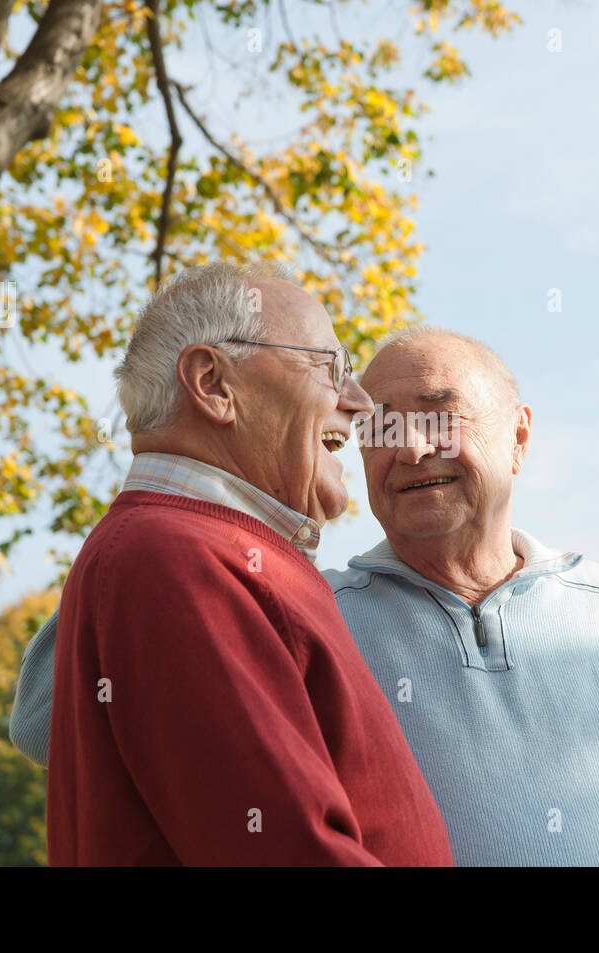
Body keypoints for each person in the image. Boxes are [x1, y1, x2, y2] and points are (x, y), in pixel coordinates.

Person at [14, 322, 599, 866]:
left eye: (438, 415)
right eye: (382, 426)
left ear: (519, 438)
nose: (408, 447)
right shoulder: (301, 609)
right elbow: (52, 720)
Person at [34, 262, 453, 866]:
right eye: (331, 367)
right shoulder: (172, 557)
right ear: (213, 385)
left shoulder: (199, 550)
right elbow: (287, 851)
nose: (359, 403)